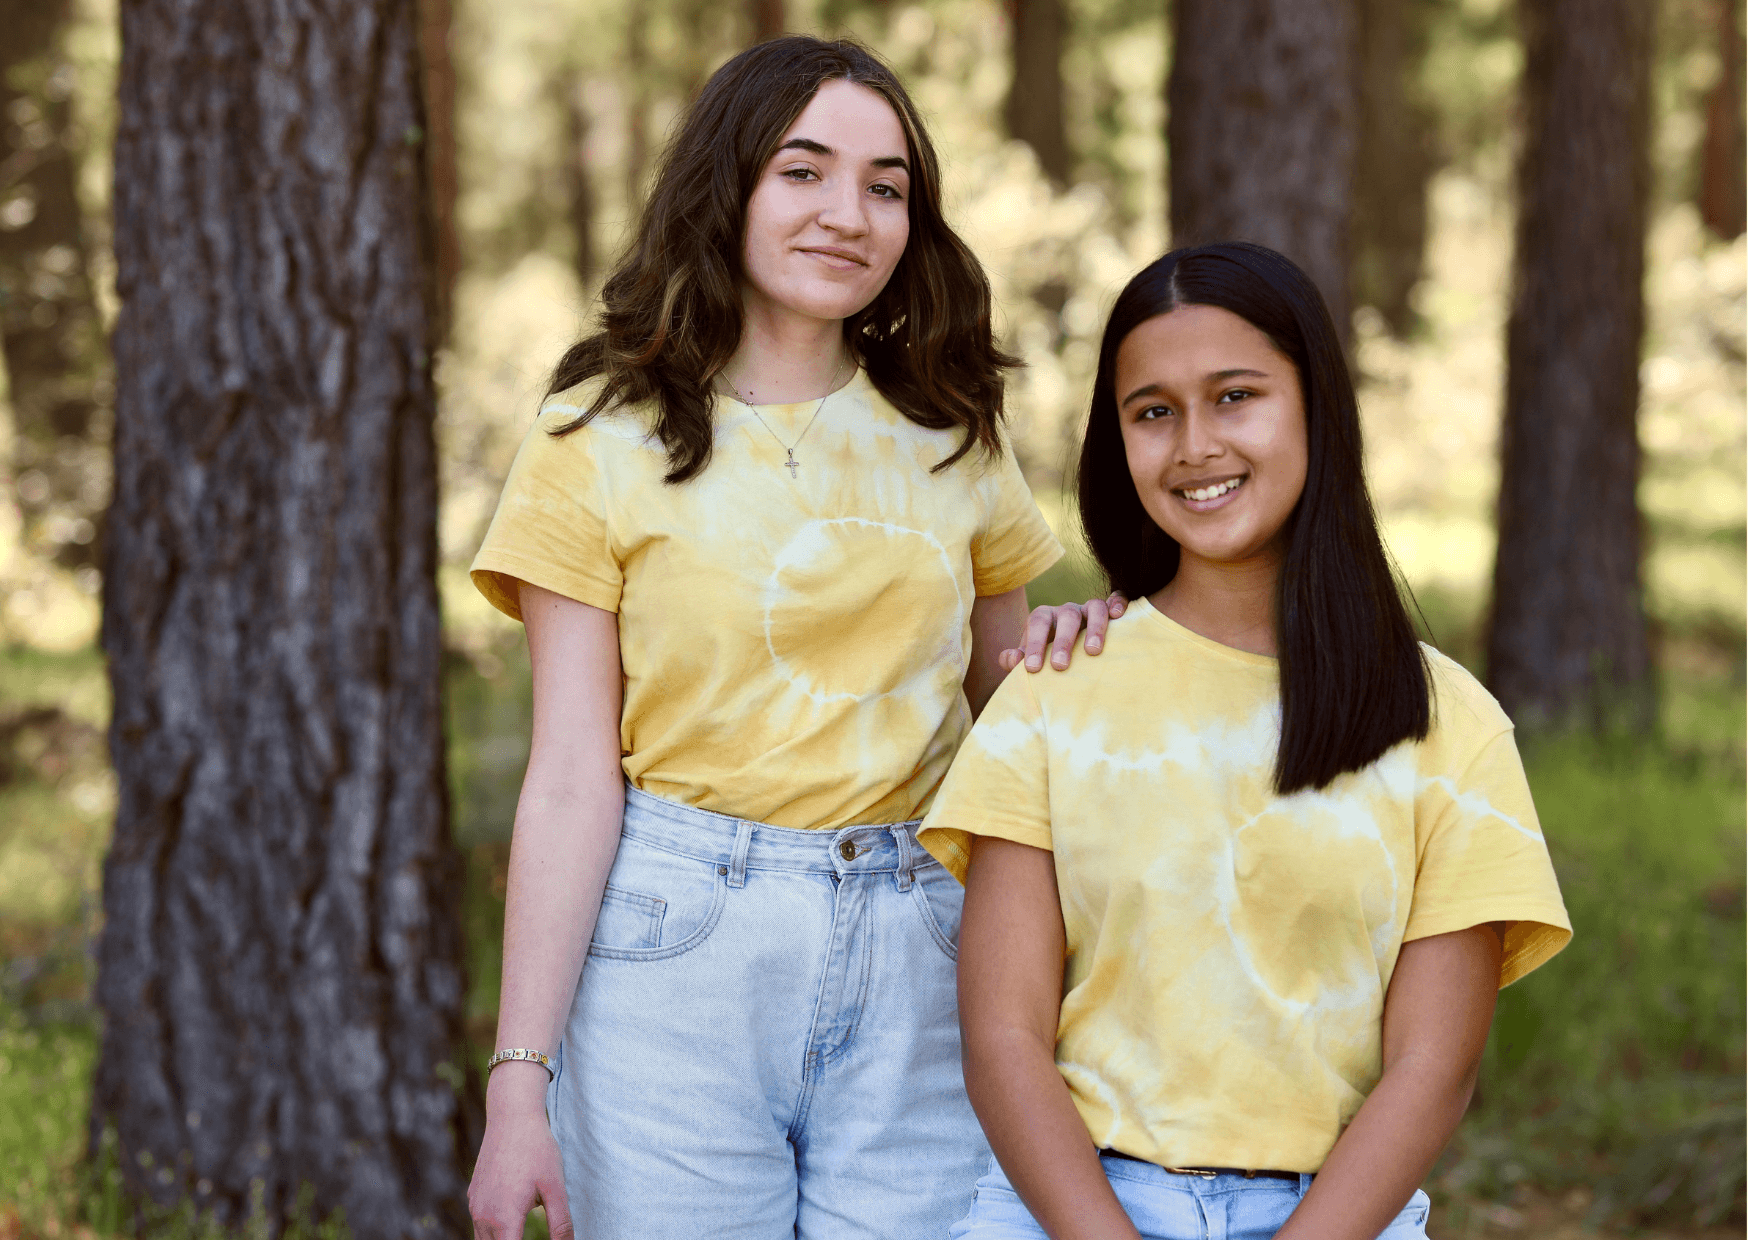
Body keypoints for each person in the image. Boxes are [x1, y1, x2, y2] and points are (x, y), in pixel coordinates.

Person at [464, 35, 1120, 1240]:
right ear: (729, 187)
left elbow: (1010, 722)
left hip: (925, 942)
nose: (848, 215)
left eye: (885, 186)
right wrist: (519, 1085)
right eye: (803, 171)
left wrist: (1080, 642)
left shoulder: (951, 428)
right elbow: (567, 778)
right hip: (674, 950)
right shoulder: (594, 431)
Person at [918, 242, 1573, 1240]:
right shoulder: (1052, 695)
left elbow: (1430, 1067)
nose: (1193, 445)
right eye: (1152, 411)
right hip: (1068, 1210)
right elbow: (1003, 1034)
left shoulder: (1446, 721)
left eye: (1234, 396)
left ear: (1316, 406)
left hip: (1337, 1216)